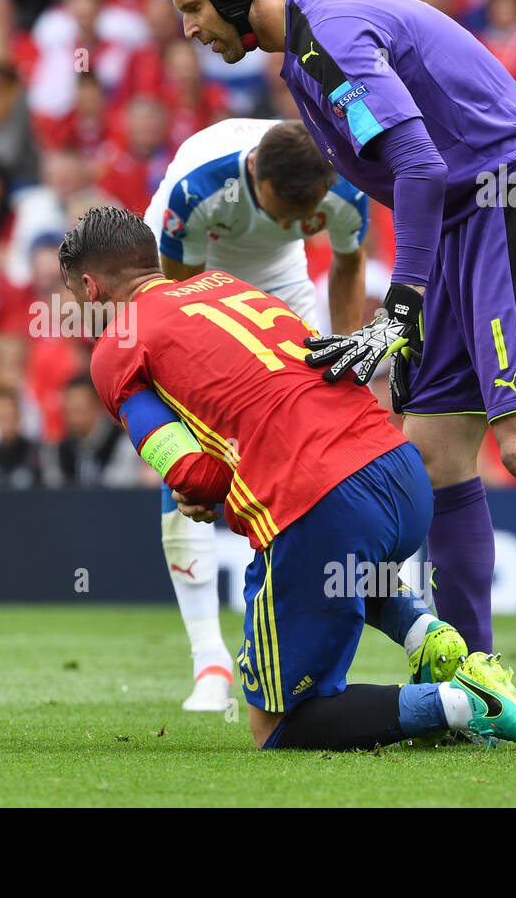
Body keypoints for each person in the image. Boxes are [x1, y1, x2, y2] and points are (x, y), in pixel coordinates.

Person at [161, 0, 516, 750]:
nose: (190, 30)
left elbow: (423, 163)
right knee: (434, 455)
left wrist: (402, 306)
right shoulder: (303, 55)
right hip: (464, 224)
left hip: (509, 204)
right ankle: (481, 688)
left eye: (192, 7)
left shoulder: (328, 34)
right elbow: (412, 173)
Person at [59, 205, 516, 754]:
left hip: (323, 499)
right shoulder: (227, 286)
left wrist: (197, 495)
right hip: (399, 471)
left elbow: (192, 473)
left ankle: (468, 704)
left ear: (91, 288)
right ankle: (424, 633)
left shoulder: (117, 347)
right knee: (314, 568)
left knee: (279, 726)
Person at [142, 117, 369, 711]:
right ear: (254, 180)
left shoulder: (345, 190)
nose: (300, 225)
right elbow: (180, 318)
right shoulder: (197, 194)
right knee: (202, 446)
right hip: (191, 271)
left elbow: (345, 269)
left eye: (307, 217)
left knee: (309, 428)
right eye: (286, 213)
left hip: (279, 277)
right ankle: (207, 661)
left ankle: (285, 626)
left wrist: (345, 367)